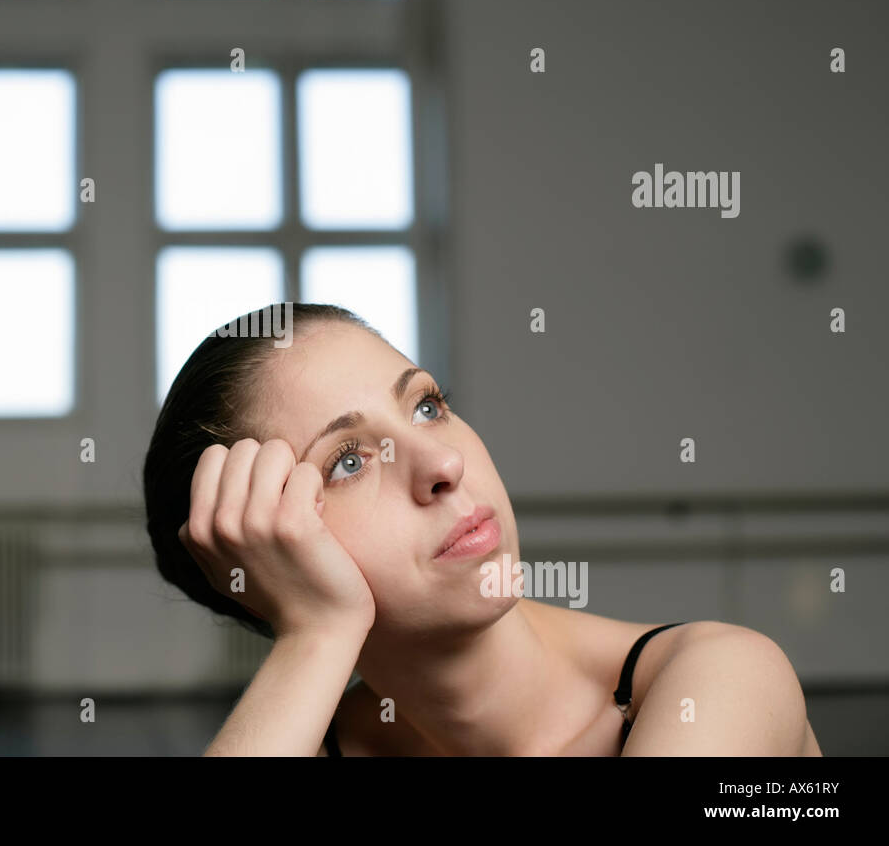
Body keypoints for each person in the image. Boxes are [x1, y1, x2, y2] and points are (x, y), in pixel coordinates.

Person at [143, 303, 822, 756]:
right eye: (347, 462)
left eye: (427, 407)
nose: (443, 464)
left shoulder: (718, 680)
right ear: (264, 560)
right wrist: (316, 636)